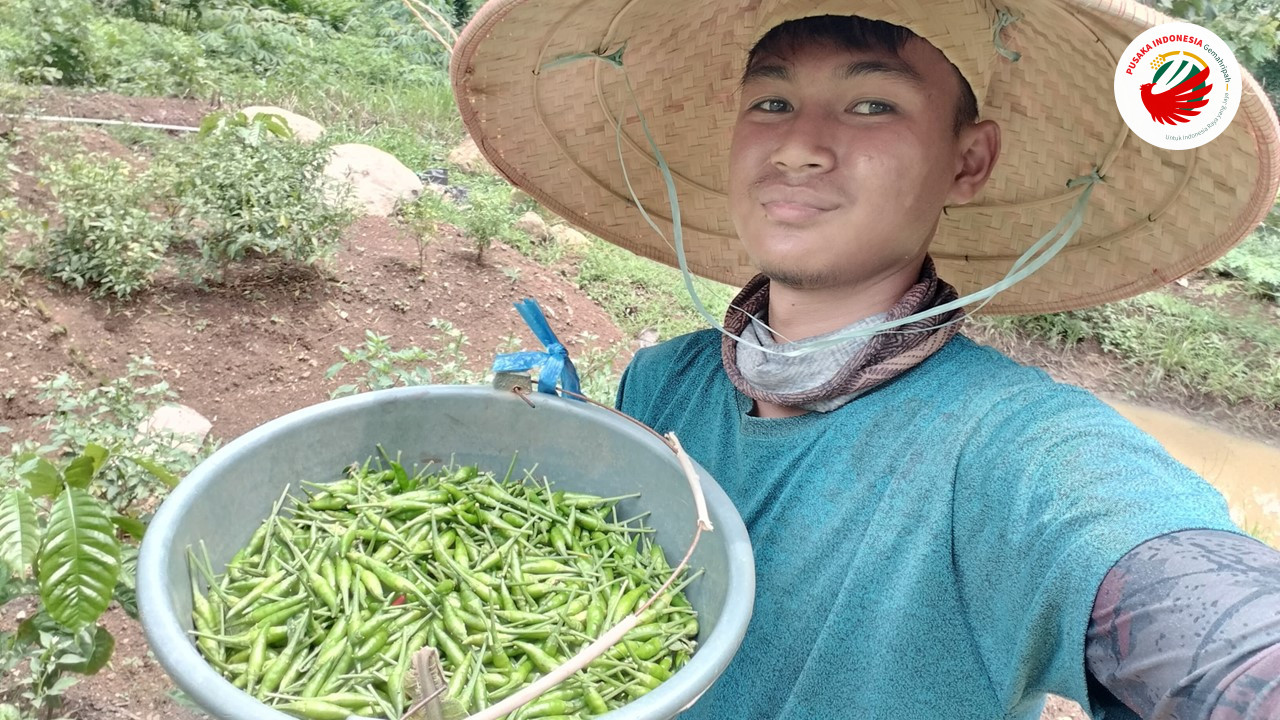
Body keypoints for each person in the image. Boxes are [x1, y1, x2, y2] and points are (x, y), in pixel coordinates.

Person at [451, 1, 1280, 717]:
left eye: (872, 104)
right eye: (772, 102)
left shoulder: (1011, 446)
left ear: (968, 161)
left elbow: (1193, 599)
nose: (798, 147)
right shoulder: (664, 381)